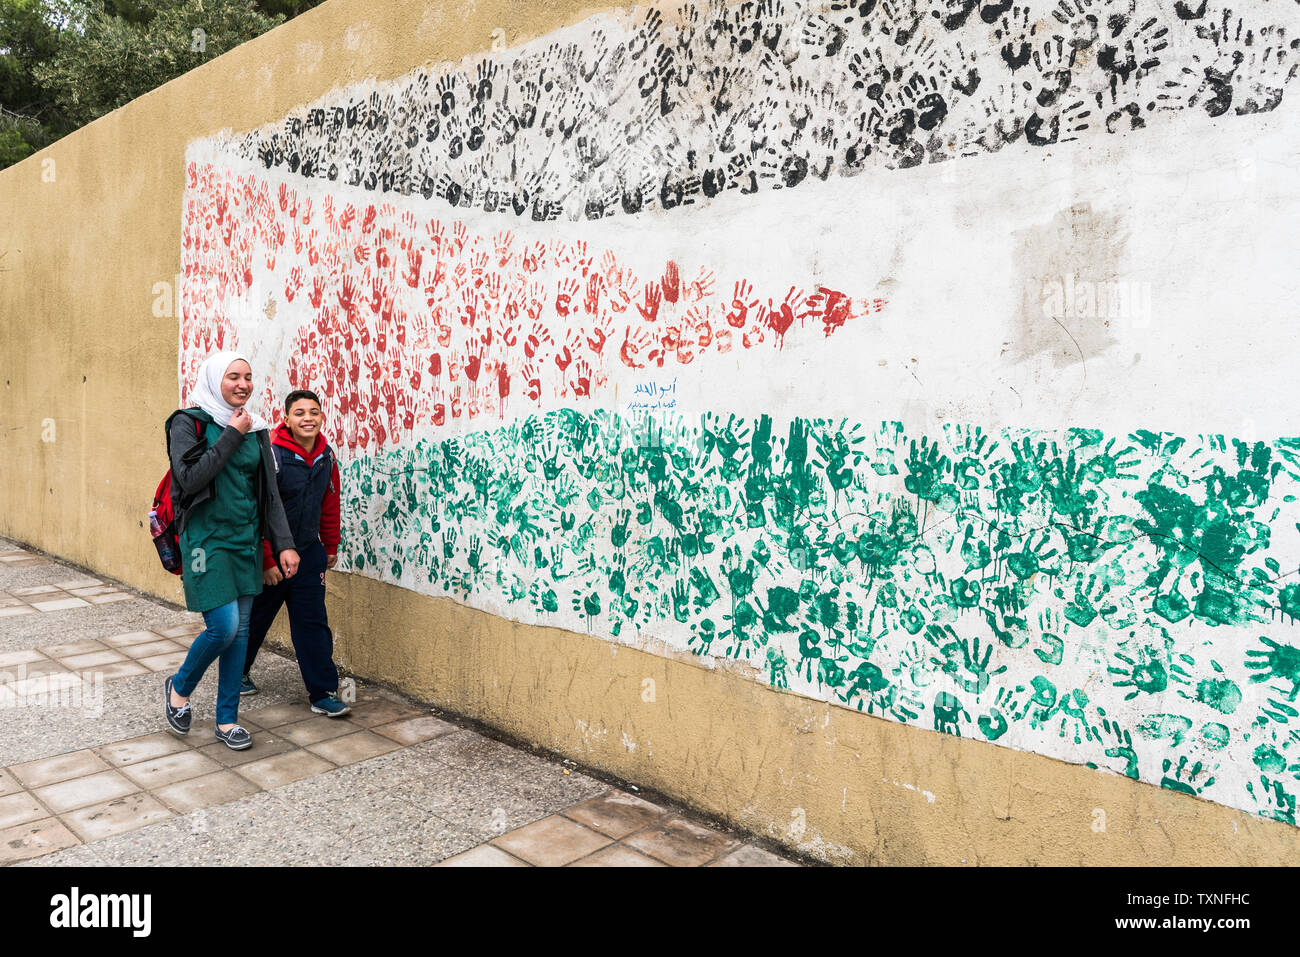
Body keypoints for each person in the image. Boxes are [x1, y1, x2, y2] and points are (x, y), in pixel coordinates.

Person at [163, 352, 300, 750]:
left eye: (248, 377)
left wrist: (283, 545)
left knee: (240, 633)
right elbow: (189, 479)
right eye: (232, 377)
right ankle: (179, 686)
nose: (242, 385)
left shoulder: (256, 428)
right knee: (222, 628)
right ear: (213, 381)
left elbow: (270, 494)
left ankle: (227, 720)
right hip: (205, 540)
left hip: (245, 540)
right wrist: (231, 435)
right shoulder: (187, 423)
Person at [241, 389, 351, 716]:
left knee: (312, 622)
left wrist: (329, 547)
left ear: (321, 417)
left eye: (313, 412)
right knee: (255, 619)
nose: (307, 418)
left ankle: (322, 692)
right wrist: (266, 560)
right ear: (286, 418)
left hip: (308, 554)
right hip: (271, 557)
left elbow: (330, 504)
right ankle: (236, 672)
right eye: (300, 413)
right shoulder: (271, 454)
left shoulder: (325, 457)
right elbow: (256, 510)